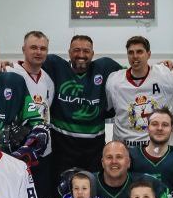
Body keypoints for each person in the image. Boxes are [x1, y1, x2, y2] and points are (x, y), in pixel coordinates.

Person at [44, 34, 123, 176]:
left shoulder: (105, 67)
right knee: (61, 195)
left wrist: (162, 67)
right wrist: (5, 65)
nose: (81, 55)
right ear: (69, 52)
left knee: (91, 193)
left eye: (86, 51)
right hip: (61, 151)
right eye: (76, 50)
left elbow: (134, 73)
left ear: (92, 54)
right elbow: (28, 67)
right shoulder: (55, 65)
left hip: (94, 152)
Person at [105, 35, 173, 148]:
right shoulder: (114, 80)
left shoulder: (164, 74)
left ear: (148, 54)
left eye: (140, 52)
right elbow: (106, 109)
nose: (135, 56)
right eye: (131, 52)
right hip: (126, 152)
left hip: (160, 150)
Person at [11, 30, 58, 198]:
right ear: (23, 49)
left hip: (42, 153)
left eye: (42, 48)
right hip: (16, 152)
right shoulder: (9, 72)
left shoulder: (48, 80)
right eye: (33, 48)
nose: (38, 52)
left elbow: (47, 110)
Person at [90, 140, 172, 198]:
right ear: (102, 163)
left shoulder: (147, 182)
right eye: (109, 157)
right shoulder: (88, 183)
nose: (114, 161)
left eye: (119, 157)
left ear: (128, 162)